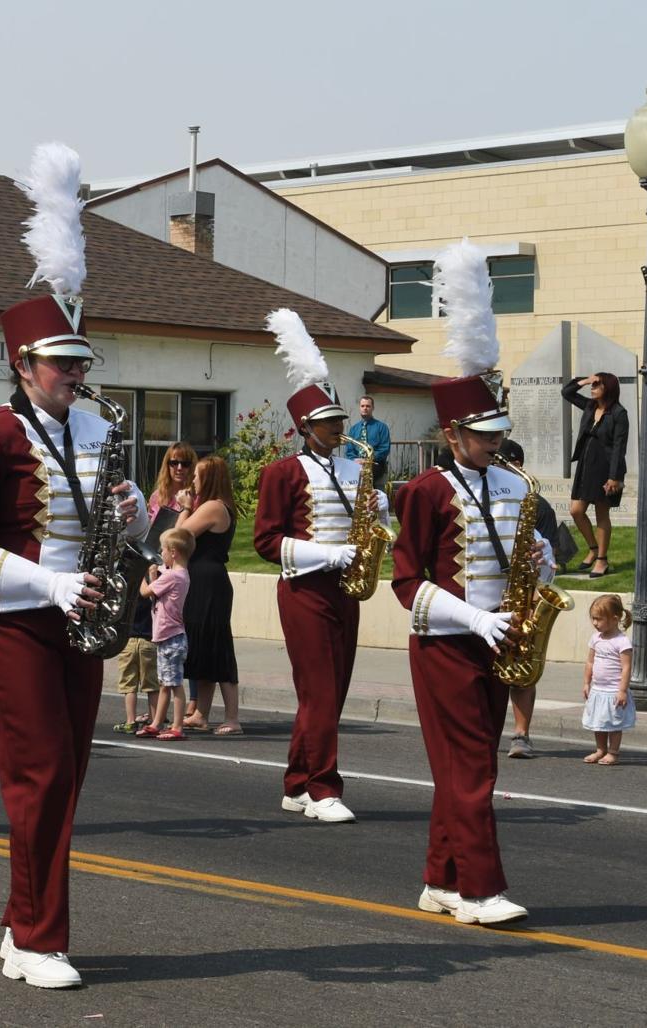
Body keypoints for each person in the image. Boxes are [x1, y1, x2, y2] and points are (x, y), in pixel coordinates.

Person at [0, 141, 147, 988]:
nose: (74, 376)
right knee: (41, 771)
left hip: (82, 617)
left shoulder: (97, 431)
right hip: (17, 617)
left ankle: (20, 919)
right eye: (61, 365)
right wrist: (52, 580)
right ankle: (37, 938)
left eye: (80, 364)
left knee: (69, 774)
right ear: (22, 366)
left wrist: (137, 522)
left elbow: (112, 521)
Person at [392, 238, 552, 926]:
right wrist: (473, 617)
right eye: (485, 435)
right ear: (455, 434)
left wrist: (540, 562)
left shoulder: (512, 484)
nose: (497, 443)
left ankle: (440, 880)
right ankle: (481, 892)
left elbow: (522, 553)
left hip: (500, 638)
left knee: (468, 767)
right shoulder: (427, 489)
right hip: (450, 646)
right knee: (472, 774)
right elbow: (404, 583)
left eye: (498, 433)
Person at [255, 307, 388, 824]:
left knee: (330, 691)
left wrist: (378, 512)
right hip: (305, 589)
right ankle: (322, 787)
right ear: (306, 427)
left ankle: (295, 783)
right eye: (331, 424)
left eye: (340, 422)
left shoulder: (354, 466)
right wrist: (328, 554)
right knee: (320, 690)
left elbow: (365, 521)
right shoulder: (283, 473)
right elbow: (267, 541)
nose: (340, 430)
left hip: (346, 588)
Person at [496, 436, 559, 760]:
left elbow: (550, 561)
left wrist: (543, 556)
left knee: (521, 666)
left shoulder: (535, 502)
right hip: (487, 596)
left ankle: (521, 733)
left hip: (524, 595)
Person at [177, 455, 242, 736]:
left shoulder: (214, 506)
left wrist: (184, 508)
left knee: (217, 647)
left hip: (208, 581)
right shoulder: (215, 505)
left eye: (197, 475)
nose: (192, 480)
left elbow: (177, 536)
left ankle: (232, 719)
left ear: (210, 479)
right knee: (202, 644)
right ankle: (201, 713)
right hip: (203, 579)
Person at [562, 372, 629, 579]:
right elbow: (567, 392)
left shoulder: (618, 413)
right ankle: (592, 548)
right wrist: (584, 381)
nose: (593, 387)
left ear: (608, 387)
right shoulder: (590, 406)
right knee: (576, 510)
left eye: (597, 384)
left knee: (602, 514)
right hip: (586, 464)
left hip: (606, 468)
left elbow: (619, 446)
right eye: (593, 384)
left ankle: (601, 559)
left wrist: (614, 477)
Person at [137, 527, 194, 740]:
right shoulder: (176, 575)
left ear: (173, 553)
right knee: (164, 683)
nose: (160, 553)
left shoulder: (173, 576)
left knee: (174, 684)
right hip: (167, 636)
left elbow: (144, 592)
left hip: (172, 637)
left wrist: (139, 574)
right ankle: (157, 722)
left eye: (163, 550)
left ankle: (177, 726)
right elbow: (157, 593)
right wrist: (153, 575)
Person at [581, 594, 635, 765]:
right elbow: (590, 662)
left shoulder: (622, 641)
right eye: (593, 619)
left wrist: (622, 690)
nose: (595, 623)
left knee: (614, 723)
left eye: (599, 619)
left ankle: (613, 752)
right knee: (599, 722)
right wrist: (587, 682)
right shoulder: (595, 638)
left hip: (613, 690)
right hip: (598, 689)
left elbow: (626, 667)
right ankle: (600, 749)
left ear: (614, 619)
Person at [113, 595, 158, 734]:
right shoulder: (153, 588)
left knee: (129, 683)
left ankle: (131, 721)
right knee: (152, 684)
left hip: (128, 640)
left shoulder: (128, 592)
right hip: (148, 639)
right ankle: (154, 720)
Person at [344, 394, 391, 491]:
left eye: (368, 406)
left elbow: (384, 449)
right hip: (356, 466)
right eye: (362, 406)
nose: (365, 408)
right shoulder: (353, 429)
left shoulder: (382, 427)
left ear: (373, 408)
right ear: (359, 408)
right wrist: (355, 460)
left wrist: (368, 460)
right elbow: (349, 451)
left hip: (375, 465)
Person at [148, 442, 197, 521]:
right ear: (167, 465)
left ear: (191, 467)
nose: (179, 468)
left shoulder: (196, 496)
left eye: (185, 464)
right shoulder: (156, 496)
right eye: (174, 463)